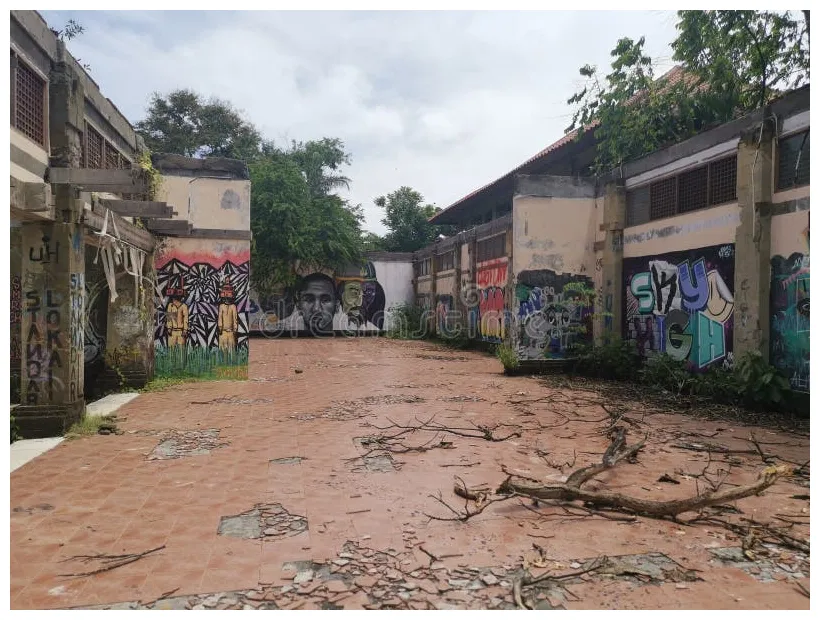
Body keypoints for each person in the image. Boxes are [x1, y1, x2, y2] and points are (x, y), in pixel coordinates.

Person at [165, 280, 189, 347]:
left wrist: (185, 330)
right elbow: (169, 319)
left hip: (181, 332)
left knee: (181, 351)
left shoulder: (183, 306)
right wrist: (169, 329)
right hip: (173, 331)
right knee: (171, 350)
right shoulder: (171, 306)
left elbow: (185, 319)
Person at [217, 277, 238, 351]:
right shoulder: (222, 306)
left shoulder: (233, 306)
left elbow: (235, 319)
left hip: (230, 331)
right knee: (223, 350)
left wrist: (235, 329)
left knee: (230, 350)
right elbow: (220, 318)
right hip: (223, 331)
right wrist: (220, 328)